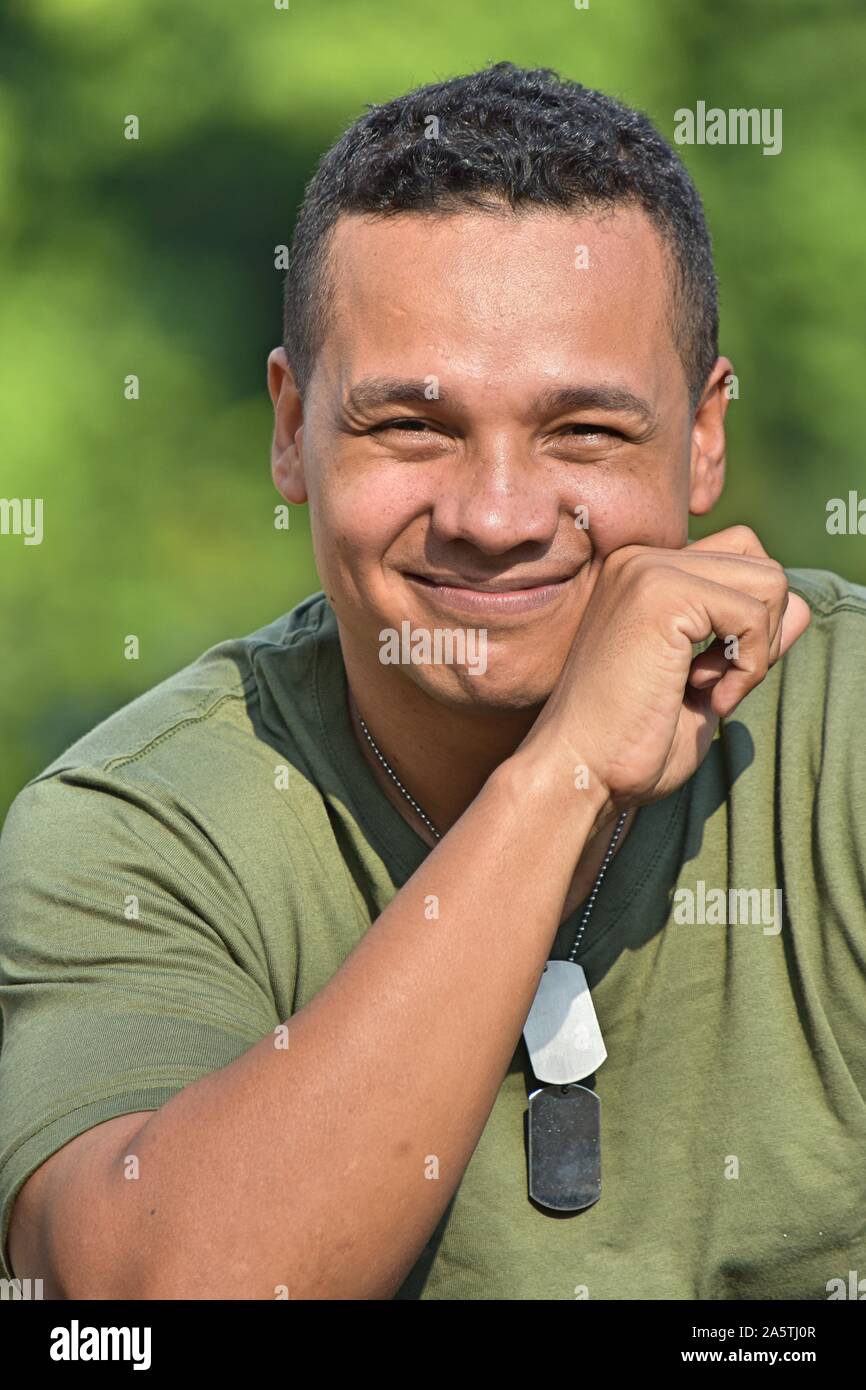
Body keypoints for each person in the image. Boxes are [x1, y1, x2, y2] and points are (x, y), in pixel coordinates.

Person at [1, 61, 863, 1302]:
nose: (498, 514)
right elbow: (139, 1313)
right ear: (292, 430)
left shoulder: (843, 732)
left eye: (583, 431)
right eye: (410, 425)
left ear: (706, 433)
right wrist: (562, 777)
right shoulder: (131, 833)